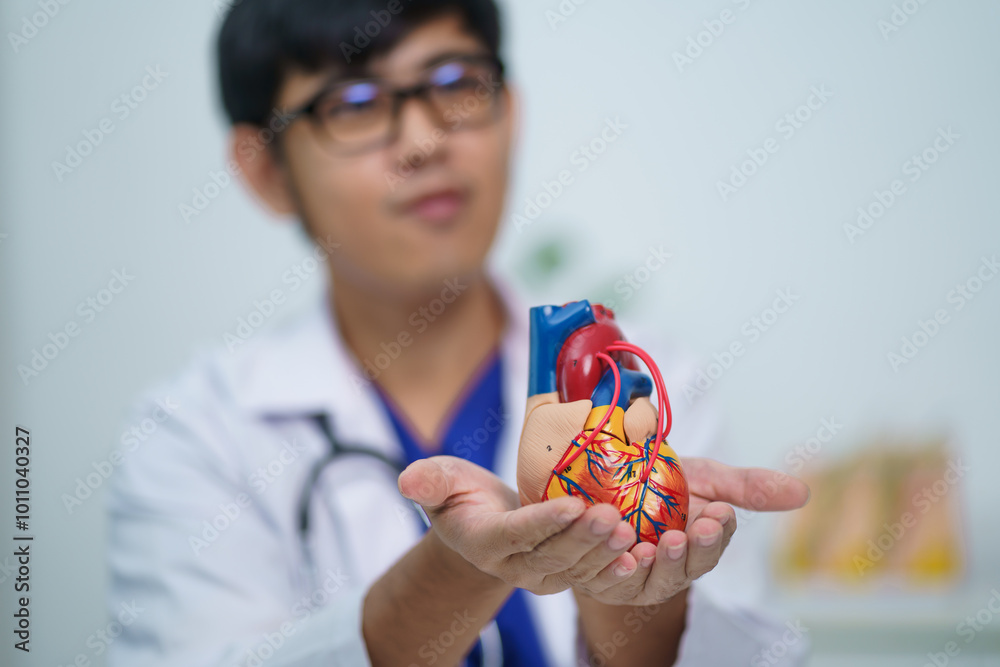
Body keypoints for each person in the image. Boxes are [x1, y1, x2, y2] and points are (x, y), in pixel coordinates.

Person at [106, 0, 811, 665]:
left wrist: (632, 588)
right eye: (354, 103)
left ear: (511, 111)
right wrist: (455, 571)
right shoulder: (199, 433)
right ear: (266, 169)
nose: (424, 141)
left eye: (455, 84)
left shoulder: (645, 380)